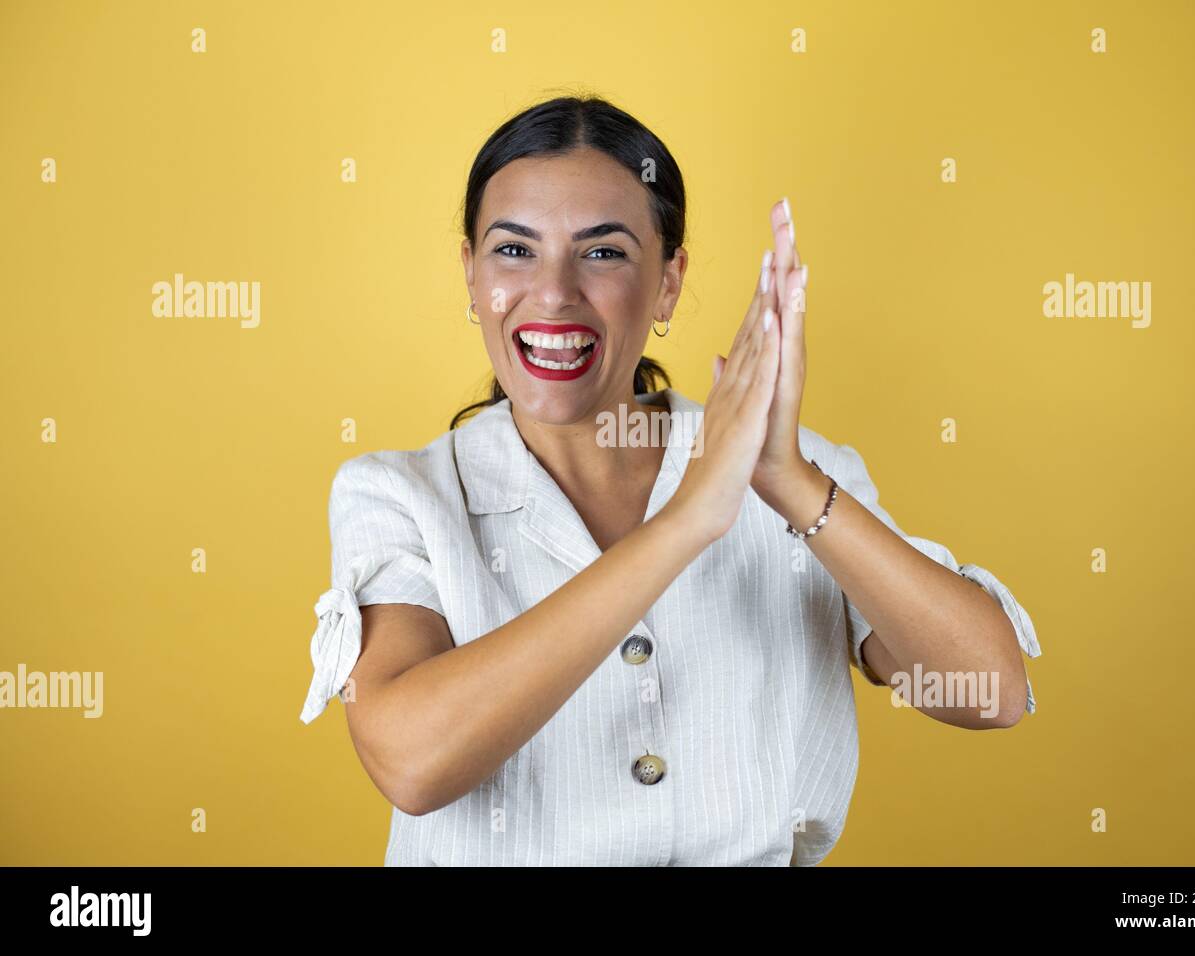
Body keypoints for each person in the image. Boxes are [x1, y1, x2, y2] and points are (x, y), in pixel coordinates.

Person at [299, 94, 1042, 866]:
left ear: (668, 282)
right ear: (470, 273)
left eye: (604, 252)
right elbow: (412, 764)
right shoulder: (398, 495)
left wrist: (786, 481)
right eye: (514, 250)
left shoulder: (798, 476)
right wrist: (685, 522)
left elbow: (989, 694)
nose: (553, 292)